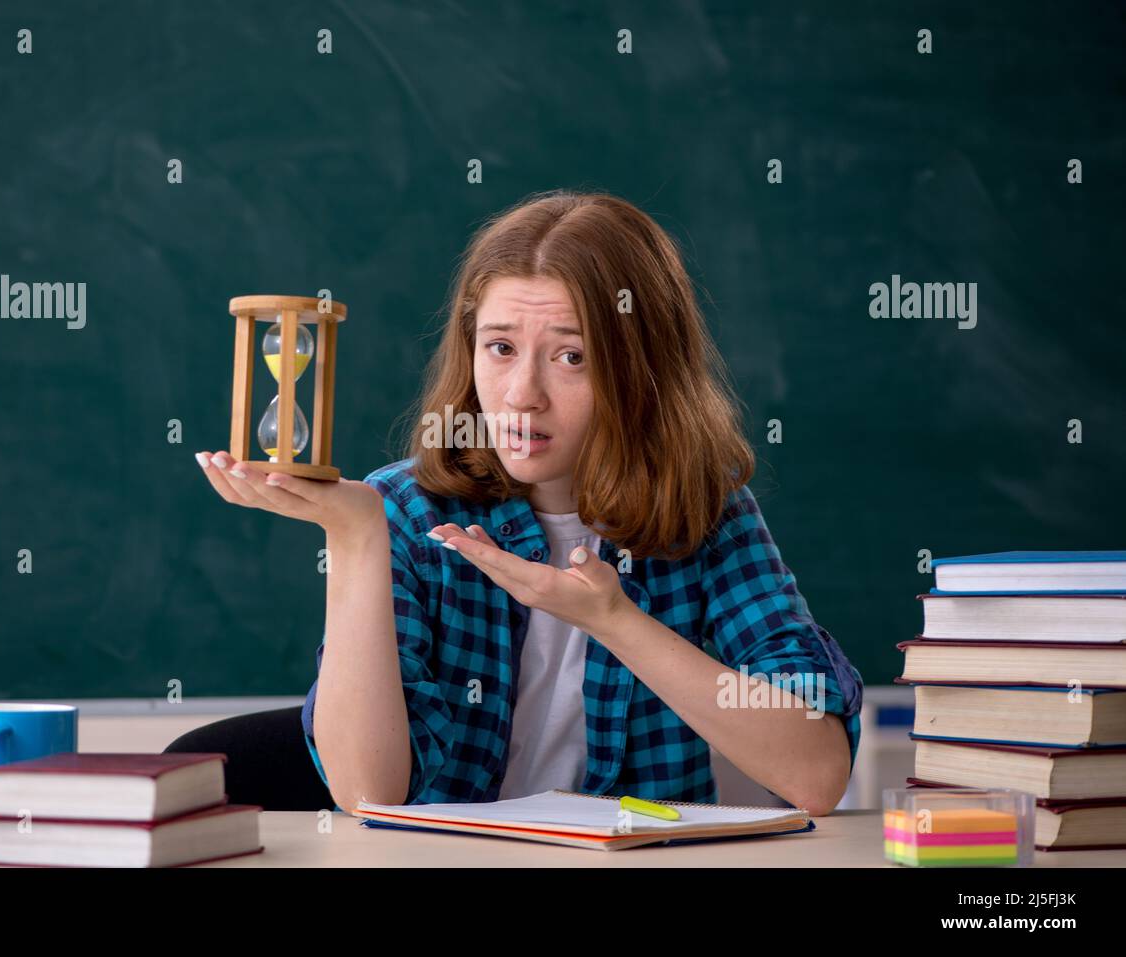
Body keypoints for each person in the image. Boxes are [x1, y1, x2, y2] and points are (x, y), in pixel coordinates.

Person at [170, 189, 864, 816]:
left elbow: (817, 773)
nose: (521, 393)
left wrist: (615, 619)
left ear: (642, 369)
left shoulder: (706, 510)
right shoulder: (404, 510)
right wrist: (354, 534)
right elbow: (367, 793)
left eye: (572, 357)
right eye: (500, 347)